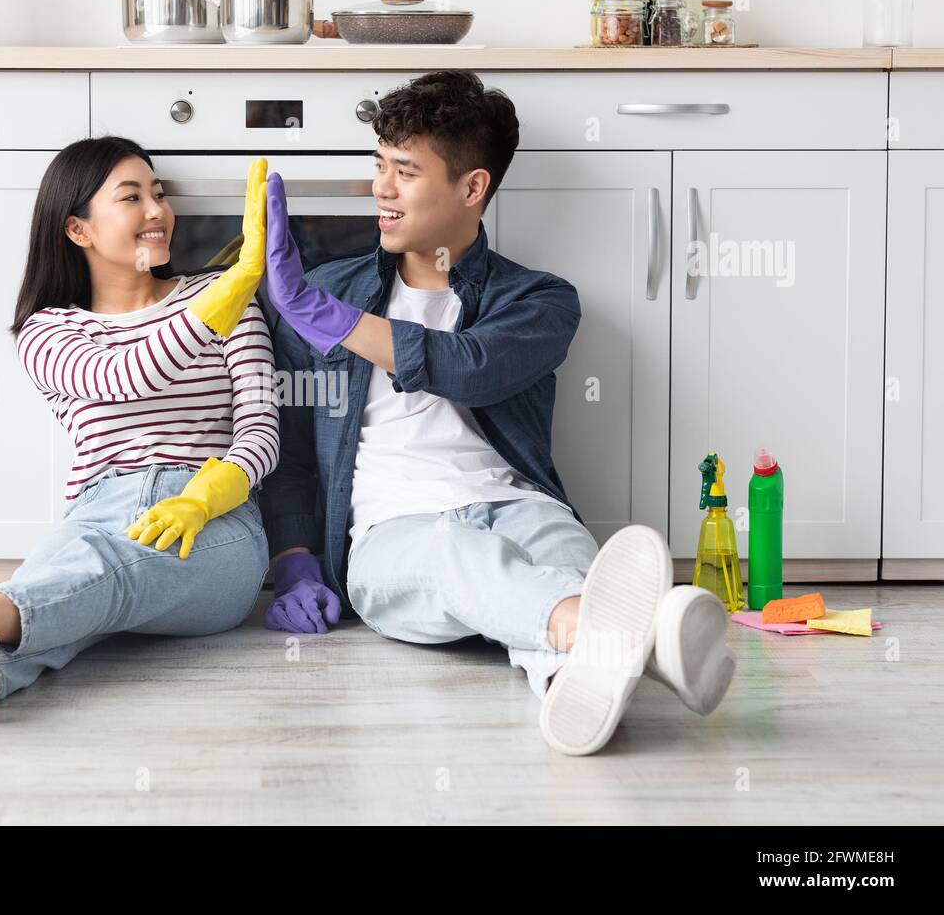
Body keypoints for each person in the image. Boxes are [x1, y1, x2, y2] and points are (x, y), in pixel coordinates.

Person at [258, 71, 736, 755]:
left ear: (471, 187)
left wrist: (325, 319)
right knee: (463, 555)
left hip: (520, 508)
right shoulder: (326, 292)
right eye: (379, 166)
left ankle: (578, 671)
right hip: (399, 534)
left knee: (564, 574)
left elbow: (472, 368)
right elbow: (295, 450)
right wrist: (296, 556)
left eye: (405, 171)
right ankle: (636, 638)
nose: (380, 190)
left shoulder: (540, 301)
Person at [0, 139, 277, 726]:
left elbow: (261, 428)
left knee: (96, 572)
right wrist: (224, 296)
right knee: (84, 592)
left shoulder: (225, 298)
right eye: (131, 197)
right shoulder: (47, 331)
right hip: (99, 508)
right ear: (77, 229)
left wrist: (204, 497)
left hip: (218, 525)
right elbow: (124, 378)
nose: (156, 211)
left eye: (159, 194)